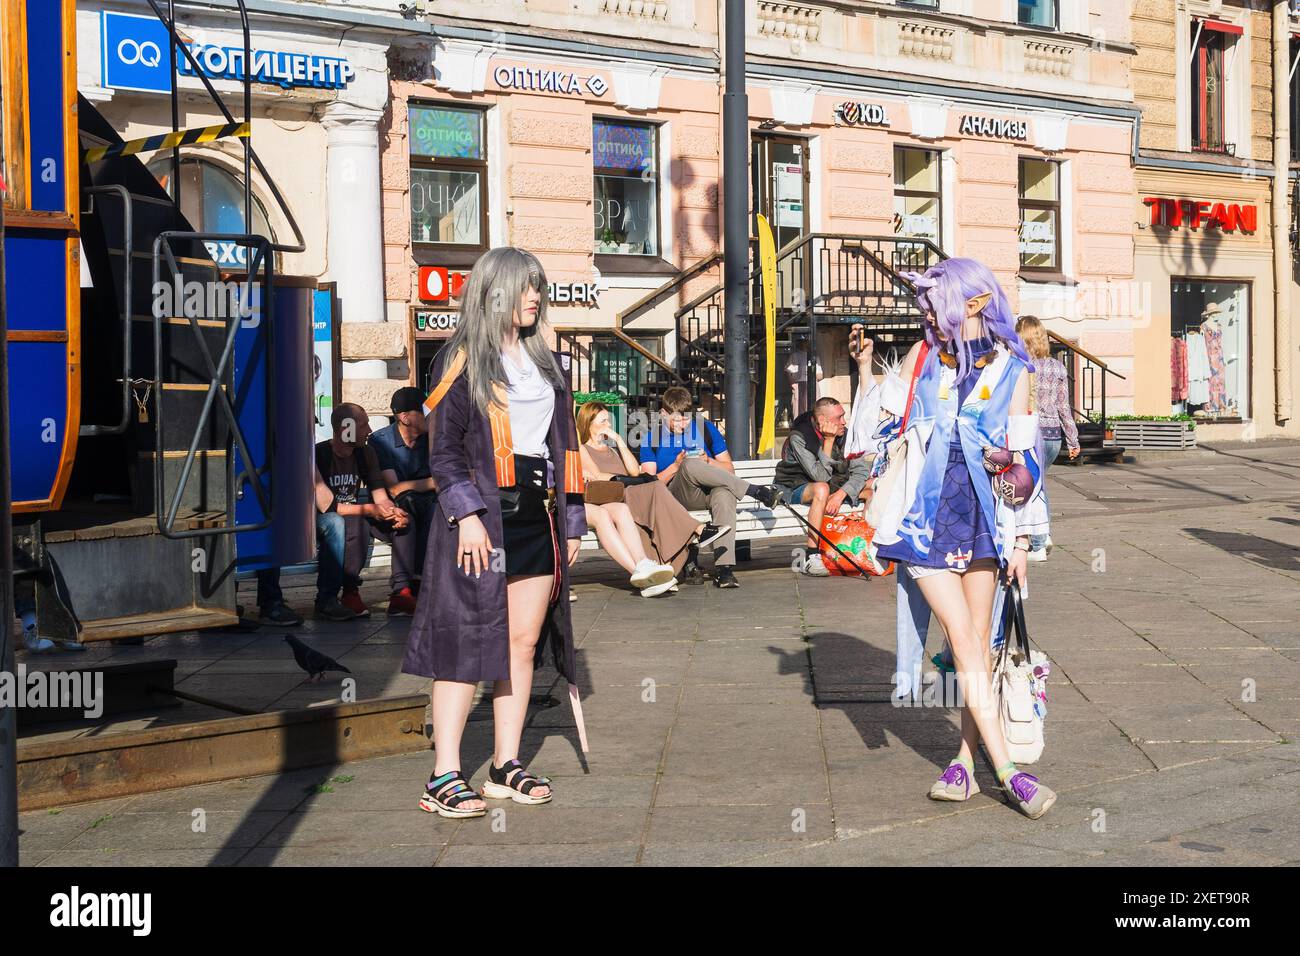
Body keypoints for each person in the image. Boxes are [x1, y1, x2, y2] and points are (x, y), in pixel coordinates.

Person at [863, 257, 1056, 819]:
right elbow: (878, 430)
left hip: (984, 518)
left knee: (978, 645)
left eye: (933, 301)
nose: (924, 311)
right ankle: (1011, 772)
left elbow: (1028, 463)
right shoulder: (925, 360)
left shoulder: (1014, 369)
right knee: (963, 640)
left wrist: (1022, 541)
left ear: (973, 304)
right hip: (925, 521)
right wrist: (868, 375)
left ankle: (964, 763)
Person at [402, 246, 587, 819]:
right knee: (464, 645)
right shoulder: (459, 360)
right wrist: (466, 517)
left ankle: (505, 765)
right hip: (480, 520)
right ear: (495, 290)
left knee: (522, 644)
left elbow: (568, 448)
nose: (536, 295)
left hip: (536, 517)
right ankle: (444, 774)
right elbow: (445, 452)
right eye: (526, 286)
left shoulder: (549, 363)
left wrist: (574, 519)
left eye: (539, 286)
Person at [638, 386, 783, 589]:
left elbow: (728, 470)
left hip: (704, 493)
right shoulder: (651, 438)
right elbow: (650, 485)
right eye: (676, 419)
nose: (682, 424)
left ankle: (724, 569)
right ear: (663, 414)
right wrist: (676, 467)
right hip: (674, 497)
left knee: (724, 494)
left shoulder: (705, 429)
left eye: (686, 418)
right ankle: (755, 491)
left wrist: (708, 461)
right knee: (689, 464)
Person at [577, 401, 727, 596]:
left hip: (626, 497)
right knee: (655, 486)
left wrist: (620, 441)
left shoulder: (611, 448)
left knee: (649, 521)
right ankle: (697, 529)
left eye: (609, 420)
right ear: (589, 423)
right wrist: (622, 480)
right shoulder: (581, 448)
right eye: (603, 421)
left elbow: (632, 470)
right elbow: (597, 476)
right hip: (610, 495)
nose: (608, 425)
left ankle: (661, 572)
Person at [313, 403, 410, 621]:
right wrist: (370, 509)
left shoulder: (365, 453)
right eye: (364, 424)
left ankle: (403, 591)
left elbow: (380, 495)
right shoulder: (319, 455)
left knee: (404, 521)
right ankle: (349, 592)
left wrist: (393, 511)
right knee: (356, 522)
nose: (369, 430)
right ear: (346, 427)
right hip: (326, 520)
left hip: (355, 513)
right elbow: (329, 508)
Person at [775, 395, 874, 577]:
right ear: (823, 420)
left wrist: (841, 495)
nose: (844, 421)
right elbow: (820, 476)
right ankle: (811, 556)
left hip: (834, 487)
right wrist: (828, 441)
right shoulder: (800, 437)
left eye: (843, 415)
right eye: (839, 418)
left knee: (875, 486)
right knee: (822, 488)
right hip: (795, 487)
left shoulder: (846, 434)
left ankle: (868, 547)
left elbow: (861, 471)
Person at [370, 386, 439, 615]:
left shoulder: (433, 438)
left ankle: (416, 584)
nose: (430, 416)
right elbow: (395, 488)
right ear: (405, 417)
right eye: (424, 411)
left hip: (428, 504)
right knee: (407, 510)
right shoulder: (381, 441)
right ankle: (403, 592)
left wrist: (430, 484)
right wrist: (434, 482)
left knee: (435, 509)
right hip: (394, 508)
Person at [1015, 316, 1080, 561]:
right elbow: (1064, 406)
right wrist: (1073, 440)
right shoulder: (1057, 367)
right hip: (1054, 436)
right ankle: (1044, 532)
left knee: (1033, 485)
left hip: (1031, 433)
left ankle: (1039, 543)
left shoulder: (1020, 365)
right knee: (1038, 482)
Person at [786, 336, 824, 420]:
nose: (804, 344)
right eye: (802, 341)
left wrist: (812, 373)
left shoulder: (814, 357)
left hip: (812, 383)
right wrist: (793, 384)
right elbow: (788, 371)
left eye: (805, 341)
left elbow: (820, 375)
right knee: (799, 408)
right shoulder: (795, 356)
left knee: (814, 407)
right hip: (799, 383)